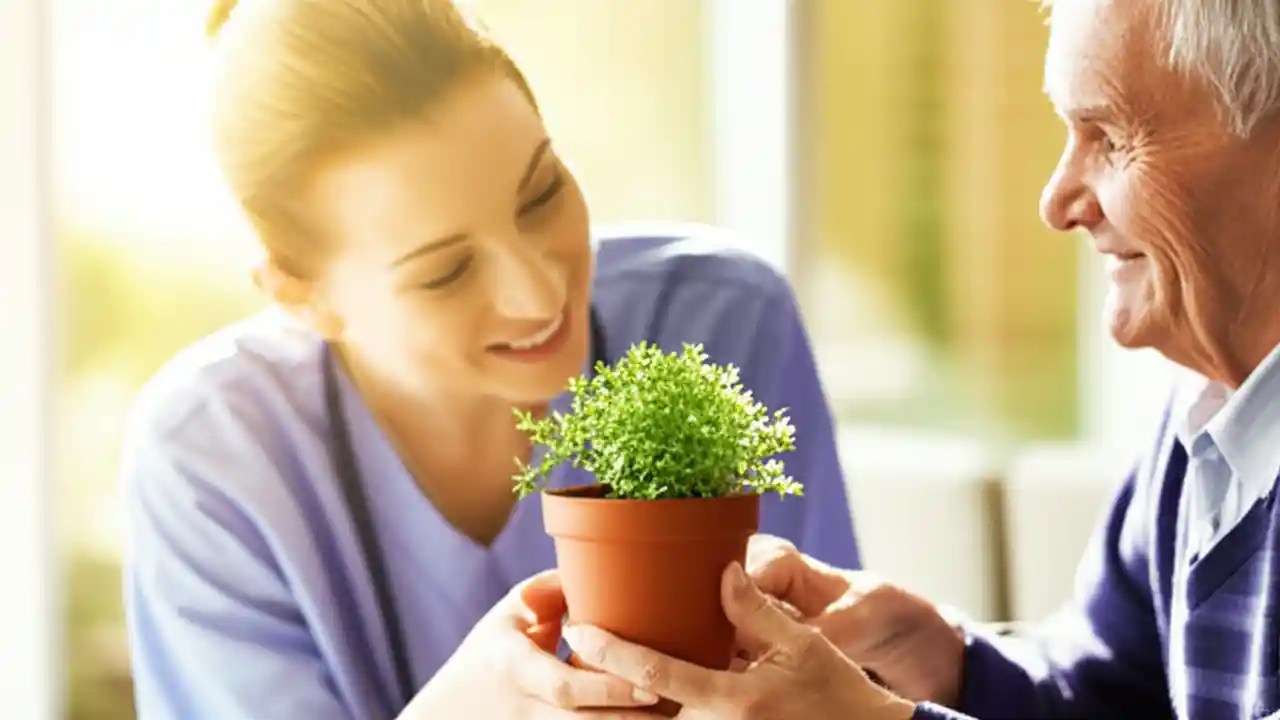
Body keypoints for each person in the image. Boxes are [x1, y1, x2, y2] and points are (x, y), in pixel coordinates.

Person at [118, 0, 861, 717]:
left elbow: (830, 685)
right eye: (446, 272)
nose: (541, 294)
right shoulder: (213, 457)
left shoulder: (720, 320)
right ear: (305, 296)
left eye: (541, 194)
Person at [566, 0, 1280, 717]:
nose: (1057, 200)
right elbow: (1113, 695)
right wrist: (948, 661)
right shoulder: (1210, 418)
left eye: (1114, 137)